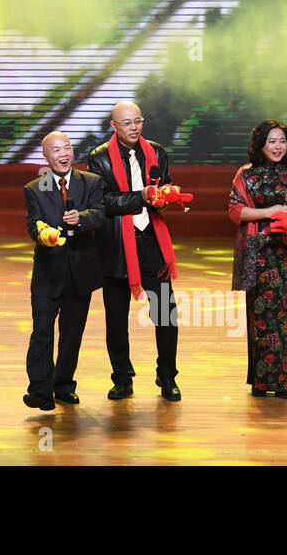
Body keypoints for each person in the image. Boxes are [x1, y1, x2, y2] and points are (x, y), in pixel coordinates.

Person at [84, 101, 182, 401]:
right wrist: (142, 196)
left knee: (165, 313)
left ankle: (167, 375)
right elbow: (104, 202)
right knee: (116, 318)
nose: (134, 127)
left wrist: (165, 196)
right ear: (113, 126)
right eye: (127, 123)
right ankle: (122, 378)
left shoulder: (157, 152)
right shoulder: (99, 158)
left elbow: (164, 186)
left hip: (152, 241)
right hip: (116, 245)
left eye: (138, 121)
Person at [227, 120, 287, 400]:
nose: (278, 147)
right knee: (260, 318)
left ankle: (284, 382)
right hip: (258, 254)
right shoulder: (246, 174)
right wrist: (271, 212)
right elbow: (236, 211)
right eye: (272, 141)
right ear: (260, 144)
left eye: (282, 141)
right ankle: (260, 382)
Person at [22, 131, 105, 410]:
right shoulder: (35, 188)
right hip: (48, 271)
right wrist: (42, 234)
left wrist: (81, 219)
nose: (63, 154)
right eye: (56, 150)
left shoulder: (91, 181)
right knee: (42, 331)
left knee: (71, 334)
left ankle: (64, 385)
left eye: (67, 148)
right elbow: (33, 224)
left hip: (80, 271)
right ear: (46, 156)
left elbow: (100, 214)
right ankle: (40, 391)